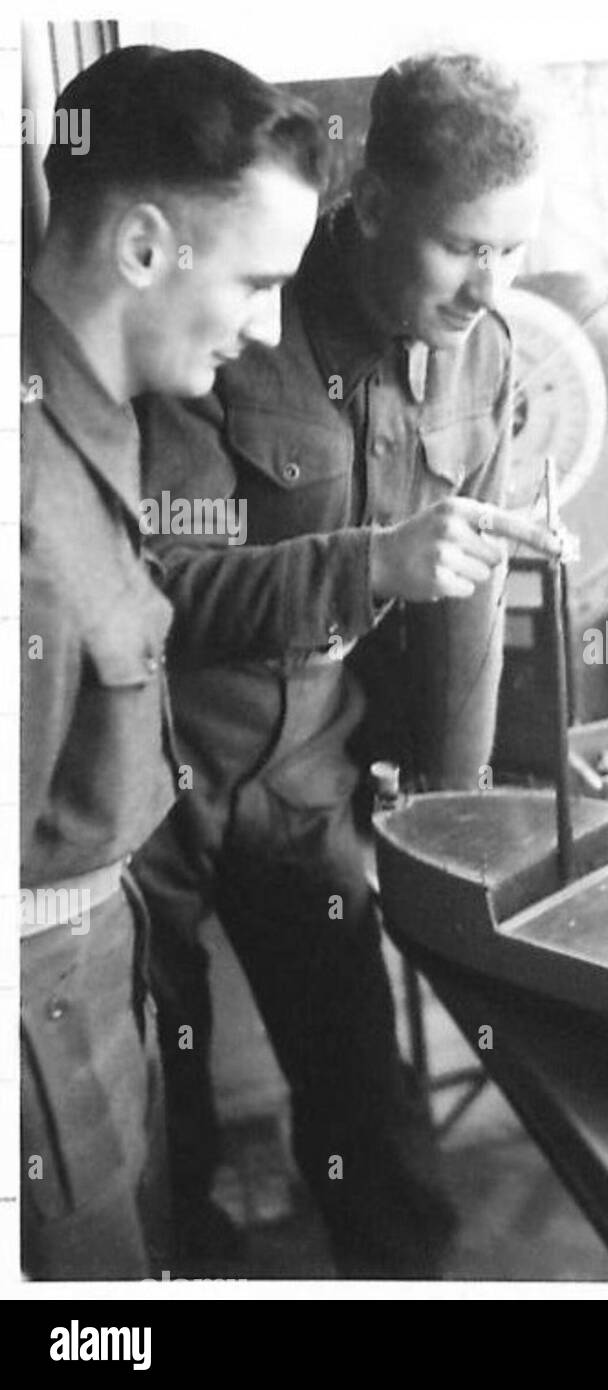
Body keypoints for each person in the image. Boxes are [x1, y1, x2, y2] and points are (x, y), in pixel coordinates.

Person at [132, 51, 560, 1276]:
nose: (492, 286)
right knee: (163, 1121)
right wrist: (373, 565)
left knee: (368, 1112)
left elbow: (467, 597)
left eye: (514, 250)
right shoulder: (235, 312)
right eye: (463, 247)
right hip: (155, 775)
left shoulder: (484, 350)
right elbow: (156, 587)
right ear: (371, 205)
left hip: (304, 774)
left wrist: (454, 810)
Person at [20, 44, 326, 1278]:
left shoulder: (92, 417)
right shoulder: (24, 493)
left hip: (96, 977)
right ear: (144, 248)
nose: (261, 335)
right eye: (254, 283)